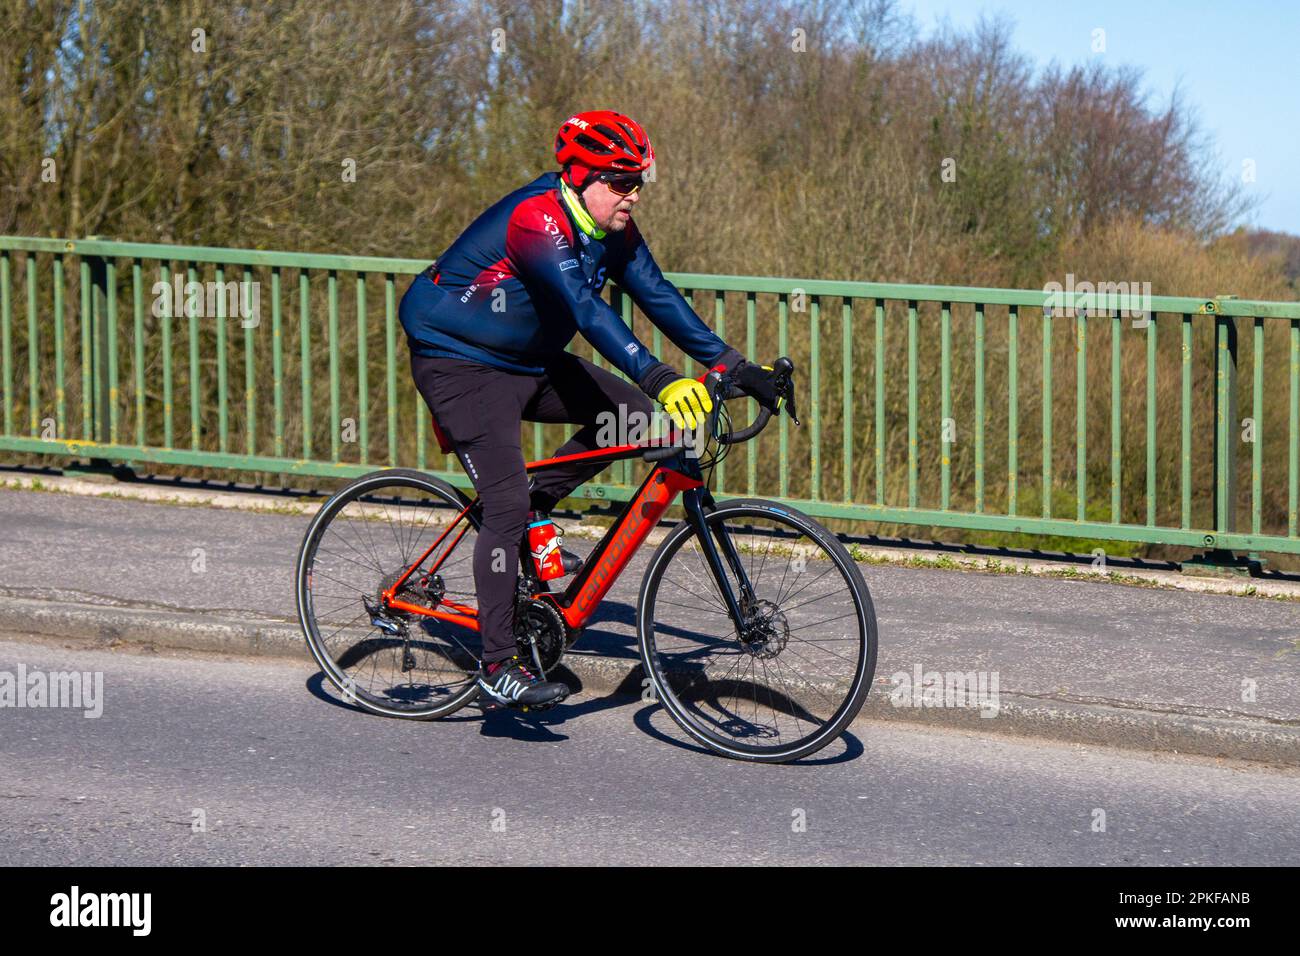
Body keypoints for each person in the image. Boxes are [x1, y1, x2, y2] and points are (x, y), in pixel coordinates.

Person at [399, 109, 782, 710]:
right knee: (502, 508)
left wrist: (734, 365)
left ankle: (533, 507)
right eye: (620, 182)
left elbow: (657, 295)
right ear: (580, 178)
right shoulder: (537, 219)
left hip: (527, 359)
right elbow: (586, 309)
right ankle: (498, 665)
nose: (632, 195)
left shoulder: (614, 229)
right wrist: (659, 376)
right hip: (459, 362)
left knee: (644, 424)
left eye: (639, 184)